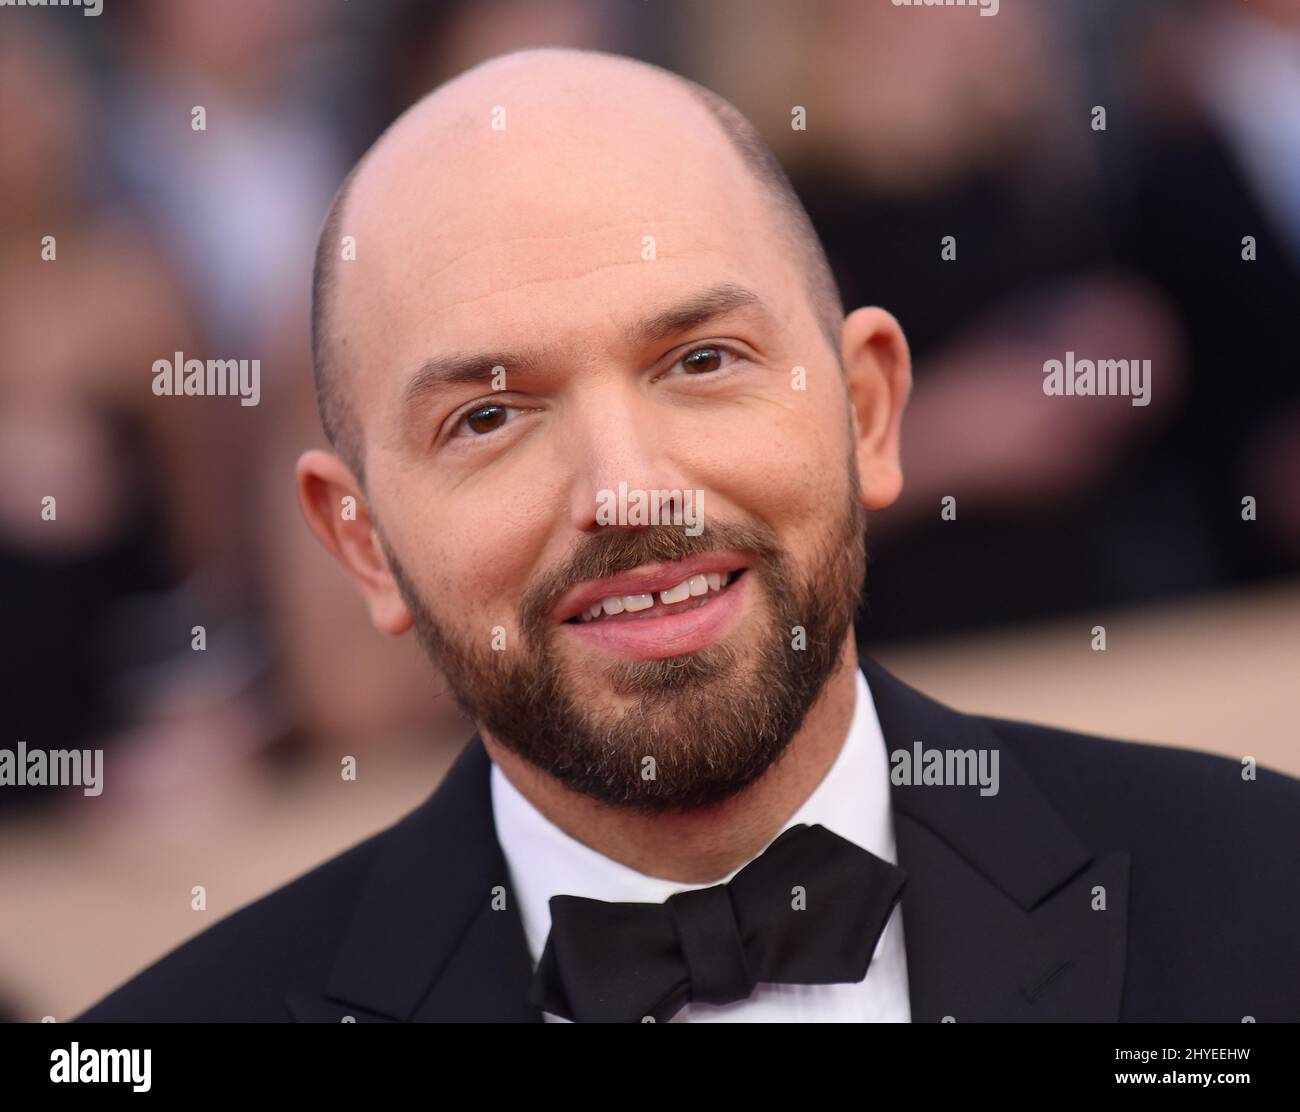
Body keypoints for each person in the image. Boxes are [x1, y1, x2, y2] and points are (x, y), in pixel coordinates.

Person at [77, 47, 1300, 1024]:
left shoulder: (1265, 902)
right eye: (490, 415)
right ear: (361, 543)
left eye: (701, 360)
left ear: (868, 410)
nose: (630, 490)